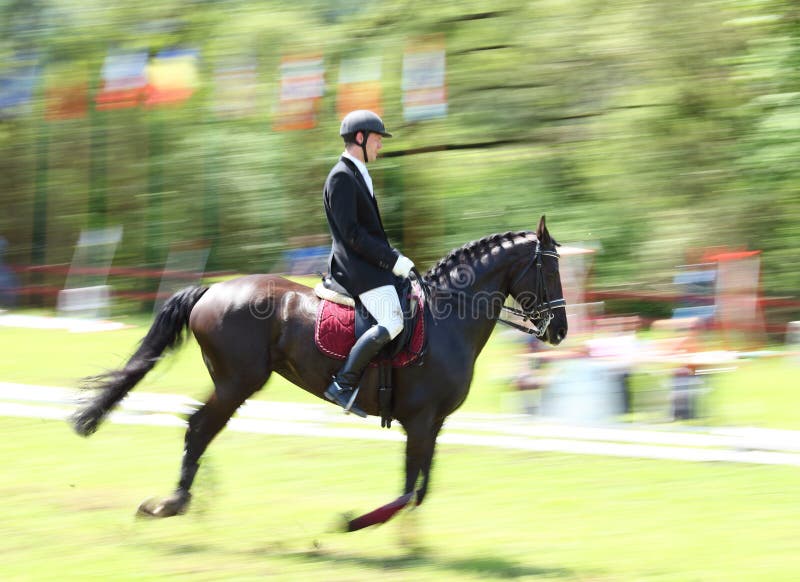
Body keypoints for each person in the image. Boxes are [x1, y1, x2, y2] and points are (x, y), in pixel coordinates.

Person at [322, 110, 414, 417]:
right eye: (377, 139)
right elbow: (352, 235)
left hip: (368, 264)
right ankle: (343, 384)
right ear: (359, 138)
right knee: (393, 320)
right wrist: (392, 261)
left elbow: (369, 231)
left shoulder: (357, 173)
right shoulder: (341, 177)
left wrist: (394, 258)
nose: (380, 146)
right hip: (355, 268)